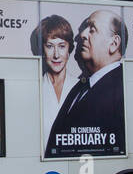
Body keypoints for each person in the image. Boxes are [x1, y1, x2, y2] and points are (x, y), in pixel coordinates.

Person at [45, 9, 126, 157]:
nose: (82, 35)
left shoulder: (121, 87)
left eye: (92, 29)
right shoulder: (81, 86)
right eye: (84, 29)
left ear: (114, 44)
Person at [33, 15, 78, 138]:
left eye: (62, 46)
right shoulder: (35, 87)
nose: (56, 55)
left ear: (69, 49)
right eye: (50, 46)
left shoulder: (81, 88)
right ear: (42, 50)